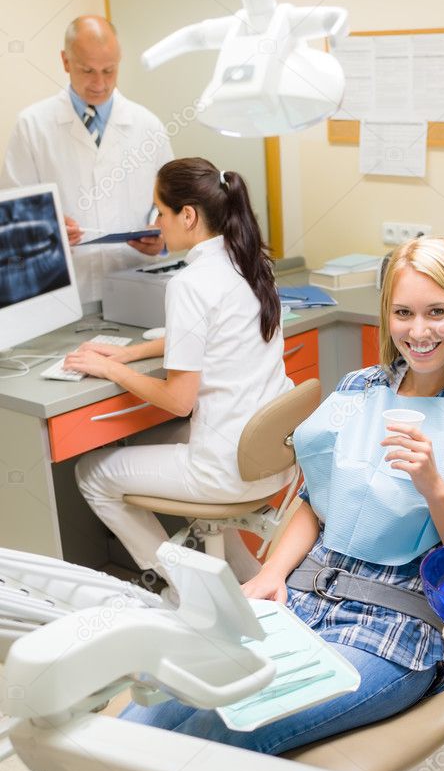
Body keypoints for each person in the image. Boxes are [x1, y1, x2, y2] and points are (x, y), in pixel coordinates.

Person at [0, 237, 444, 771]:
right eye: (404, 312)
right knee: (158, 712)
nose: (419, 330)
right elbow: (312, 501)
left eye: (438, 311)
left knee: (216, 729)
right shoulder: (359, 392)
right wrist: (271, 574)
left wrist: (434, 485)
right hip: (298, 602)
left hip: (389, 636)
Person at [63, 156, 293, 586]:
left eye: (161, 212)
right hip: (268, 457)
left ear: (187, 216)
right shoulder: (252, 264)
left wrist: (111, 371)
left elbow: (178, 401)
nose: (156, 223)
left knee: (90, 473)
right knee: (147, 442)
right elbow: (209, 336)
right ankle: (246, 577)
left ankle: (188, 588)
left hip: (225, 470)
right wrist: (129, 355)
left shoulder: (189, 283)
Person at [0, 15, 173, 304]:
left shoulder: (149, 126)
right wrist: (47, 227)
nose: (99, 83)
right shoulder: (32, 126)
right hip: (63, 290)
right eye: (87, 70)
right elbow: (12, 216)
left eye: (109, 70)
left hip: (137, 285)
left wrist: (161, 233)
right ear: (66, 61)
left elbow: (169, 203)